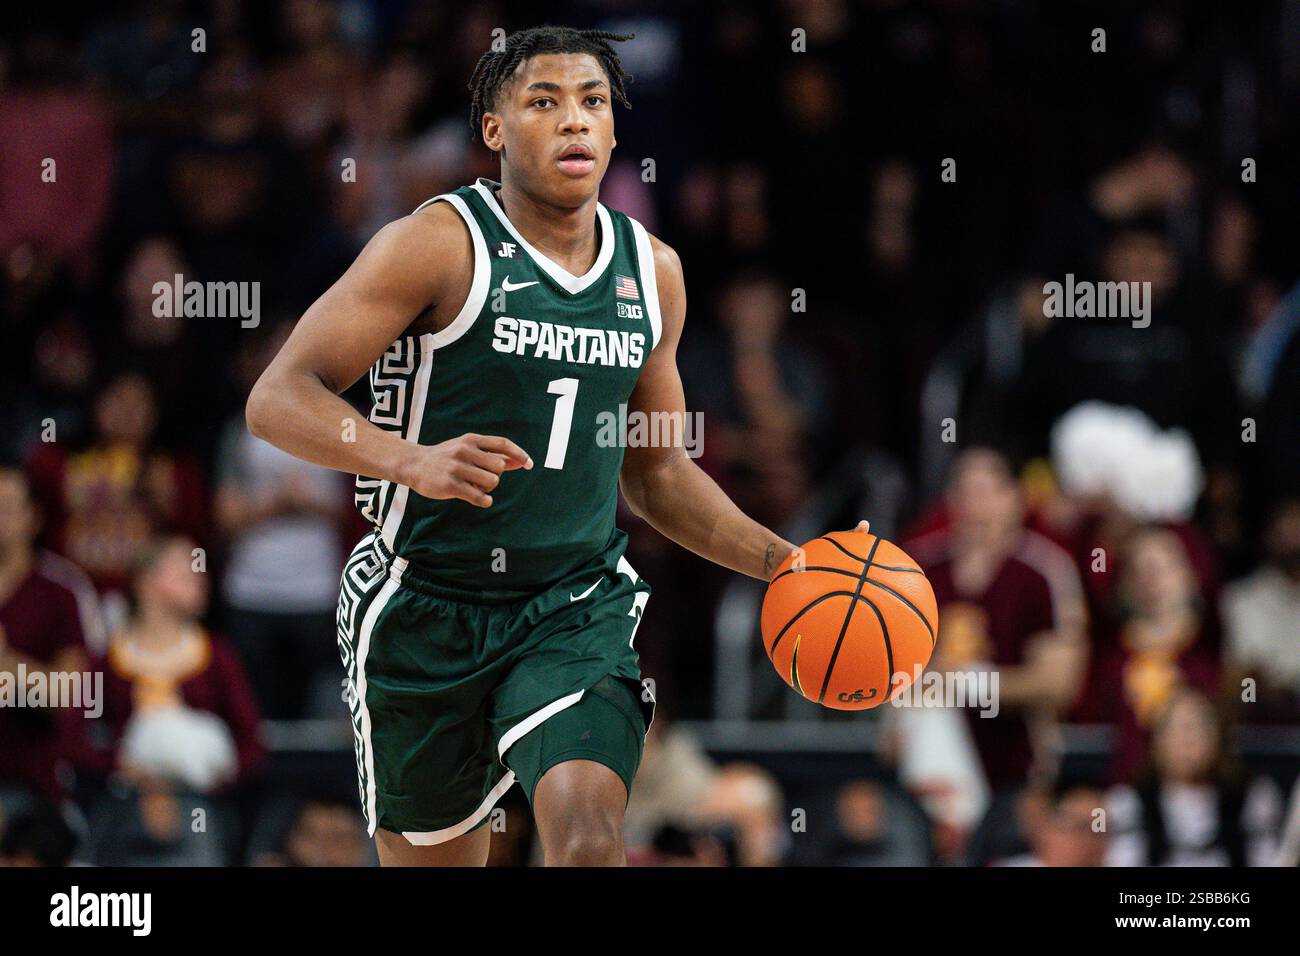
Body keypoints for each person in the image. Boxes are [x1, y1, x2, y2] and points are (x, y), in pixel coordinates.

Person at [246, 26, 869, 866]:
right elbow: (278, 398)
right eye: (544, 101)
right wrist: (408, 457)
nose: (574, 121)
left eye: (593, 103)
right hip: (425, 604)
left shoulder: (654, 272)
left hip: (572, 606)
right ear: (495, 130)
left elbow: (655, 471)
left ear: (615, 131)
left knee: (586, 843)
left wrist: (784, 564)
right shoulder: (436, 244)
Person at [0, 462, 97, 802]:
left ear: (33, 517)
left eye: (7, 507)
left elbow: (74, 696)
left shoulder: (62, 591)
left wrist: (8, 666)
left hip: (29, 786)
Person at [1105, 688, 1283, 866]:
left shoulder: (1253, 797)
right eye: (1176, 729)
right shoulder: (1127, 802)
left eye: (1198, 727)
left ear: (1219, 737)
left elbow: (1269, 859)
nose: (1187, 740)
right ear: (1156, 741)